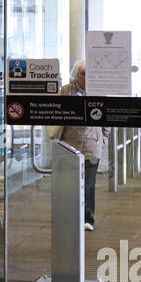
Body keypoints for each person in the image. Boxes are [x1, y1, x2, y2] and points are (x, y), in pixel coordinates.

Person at [54, 60, 105, 232]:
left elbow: (105, 117)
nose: (87, 77)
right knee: (72, 183)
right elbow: (58, 116)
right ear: (77, 74)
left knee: (89, 184)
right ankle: (72, 216)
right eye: (84, 73)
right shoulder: (66, 91)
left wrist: (103, 139)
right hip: (71, 144)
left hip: (92, 145)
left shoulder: (98, 91)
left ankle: (88, 218)